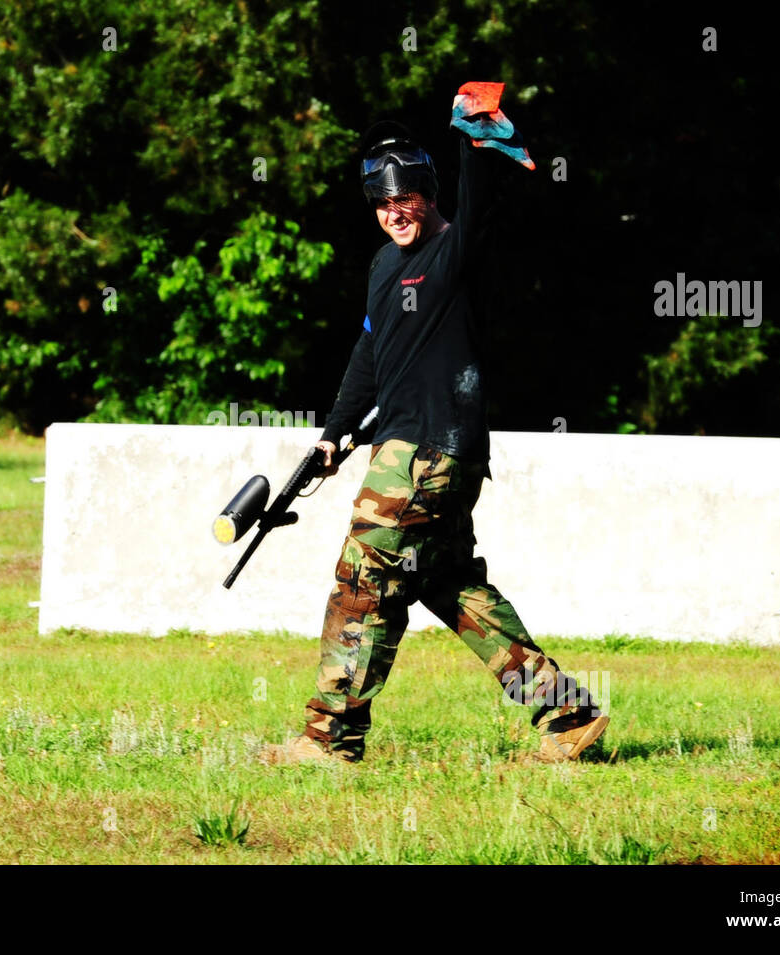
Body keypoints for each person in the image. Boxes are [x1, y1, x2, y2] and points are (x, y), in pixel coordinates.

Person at [260, 83, 609, 766]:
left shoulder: (452, 256)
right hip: (417, 451)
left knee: (362, 580)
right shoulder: (384, 265)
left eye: (407, 197)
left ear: (428, 191)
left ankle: (330, 738)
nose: (396, 212)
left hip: (427, 453)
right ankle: (567, 715)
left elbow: (477, 211)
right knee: (450, 584)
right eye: (384, 202)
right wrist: (334, 432)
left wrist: (473, 138)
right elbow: (370, 351)